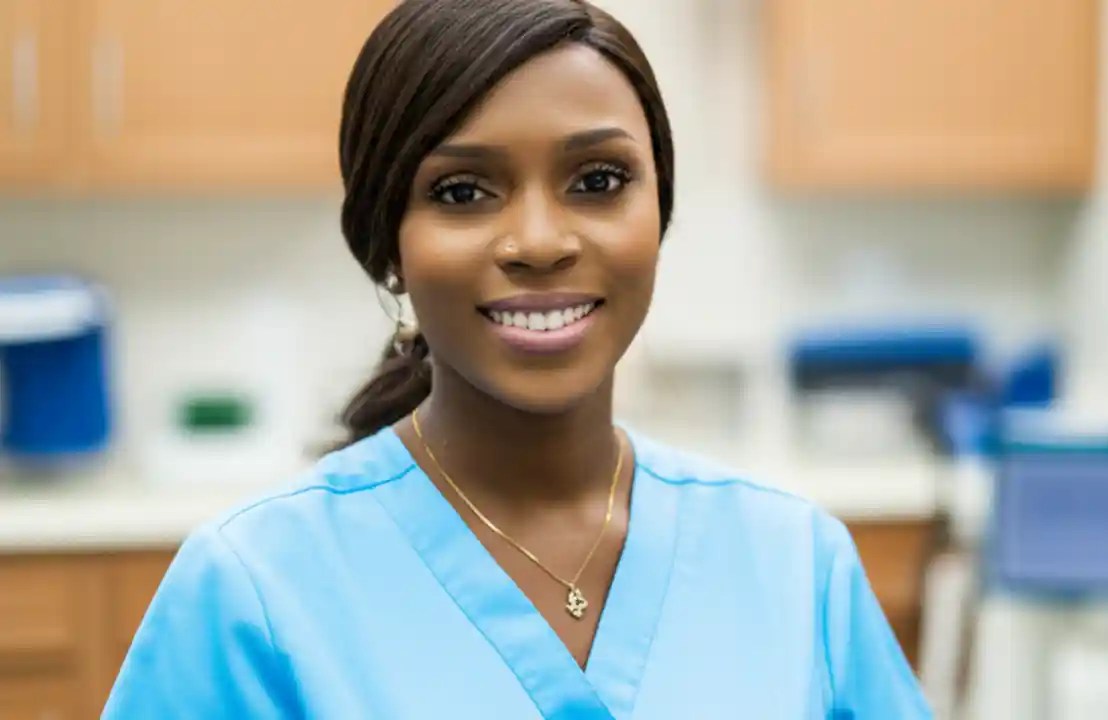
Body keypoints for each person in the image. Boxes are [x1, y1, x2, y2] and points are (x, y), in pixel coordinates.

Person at [103, 1, 932, 717]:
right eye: (463, 192)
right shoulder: (254, 592)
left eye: (598, 180)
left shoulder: (794, 566)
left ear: (659, 215)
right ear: (387, 245)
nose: (539, 242)